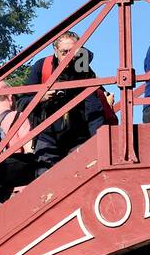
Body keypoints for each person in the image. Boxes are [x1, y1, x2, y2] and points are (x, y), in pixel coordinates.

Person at [25, 30, 115, 171]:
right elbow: (22, 102)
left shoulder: (82, 66)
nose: (70, 57)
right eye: (65, 52)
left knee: (79, 176)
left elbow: (92, 105)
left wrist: (98, 141)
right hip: (47, 134)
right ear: (55, 50)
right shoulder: (42, 67)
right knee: (45, 181)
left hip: (78, 135)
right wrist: (41, 98)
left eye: (74, 51)